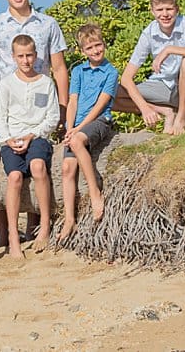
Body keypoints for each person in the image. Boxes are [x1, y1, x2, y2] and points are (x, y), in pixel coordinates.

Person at [0, 34, 60, 258]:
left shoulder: (46, 82)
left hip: (37, 136)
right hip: (12, 138)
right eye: (21, 56)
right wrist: (7, 139)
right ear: (13, 57)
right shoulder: (6, 84)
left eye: (29, 55)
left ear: (36, 55)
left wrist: (33, 135)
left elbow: (52, 117)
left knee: (38, 167)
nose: (25, 60)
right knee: (14, 177)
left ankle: (44, 226)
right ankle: (13, 235)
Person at [117, 0, 185, 136]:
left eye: (169, 9)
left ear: (177, 9)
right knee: (108, 94)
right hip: (162, 86)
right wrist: (145, 108)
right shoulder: (148, 33)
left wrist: (170, 49)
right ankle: (167, 112)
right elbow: (126, 78)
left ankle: (181, 120)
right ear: (152, 11)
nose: (165, 14)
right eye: (160, 10)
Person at [58, 25, 118, 242]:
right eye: (90, 48)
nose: (95, 51)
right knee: (67, 168)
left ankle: (94, 192)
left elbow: (101, 104)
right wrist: (69, 127)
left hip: (99, 120)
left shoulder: (111, 72)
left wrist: (79, 128)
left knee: (76, 142)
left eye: (98, 45)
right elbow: (73, 101)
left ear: (104, 44)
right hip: (76, 125)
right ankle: (69, 219)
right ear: (83, 51)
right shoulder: (78, 72)